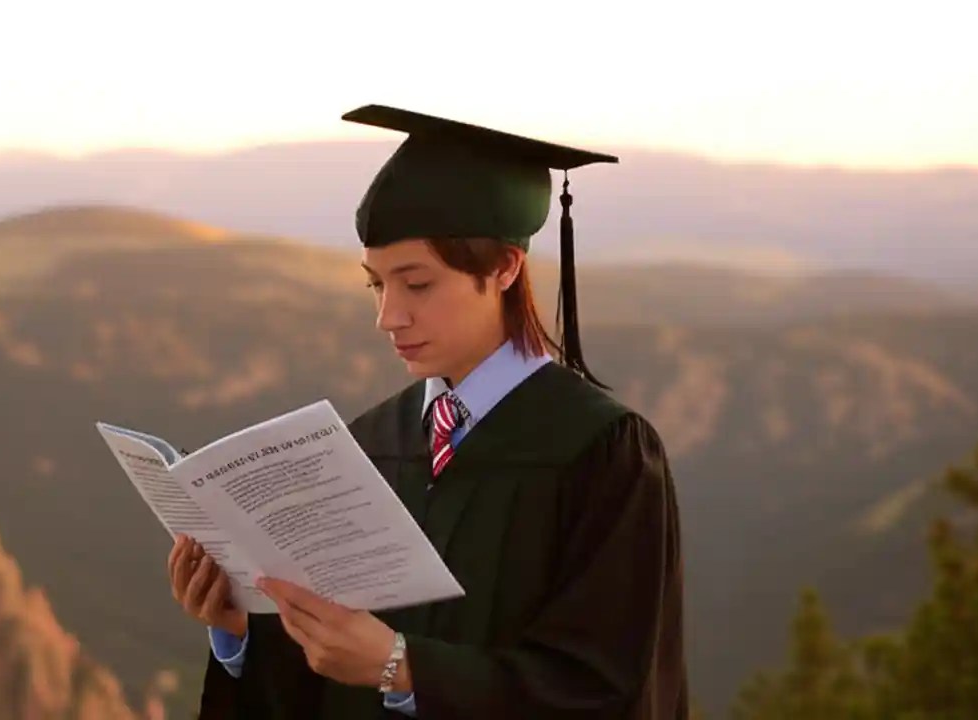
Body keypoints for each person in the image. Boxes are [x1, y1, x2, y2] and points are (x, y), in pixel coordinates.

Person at [166, 105, 688, 719]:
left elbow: (607, 687)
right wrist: (241, 632)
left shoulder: (602, 451)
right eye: (376, 285)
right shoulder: (368, 441)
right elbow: (326, 677)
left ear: (502, 268)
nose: (388, 316)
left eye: (416, 285)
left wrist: (404, 666)